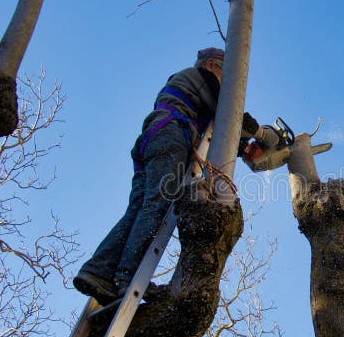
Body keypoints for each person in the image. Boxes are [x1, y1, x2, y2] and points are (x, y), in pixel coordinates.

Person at [73, 47, 263, 304]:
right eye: (223, 73)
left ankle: (98, 269)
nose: (224, 80)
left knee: (139, 207)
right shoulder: (202, 77)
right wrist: (259, 133)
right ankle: (127, 277)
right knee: (158, 205)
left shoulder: (187, 86)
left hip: (153, 138)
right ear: (211, 65)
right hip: (171, 135)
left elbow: (221, 129)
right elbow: (232, 113)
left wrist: (243, 149)